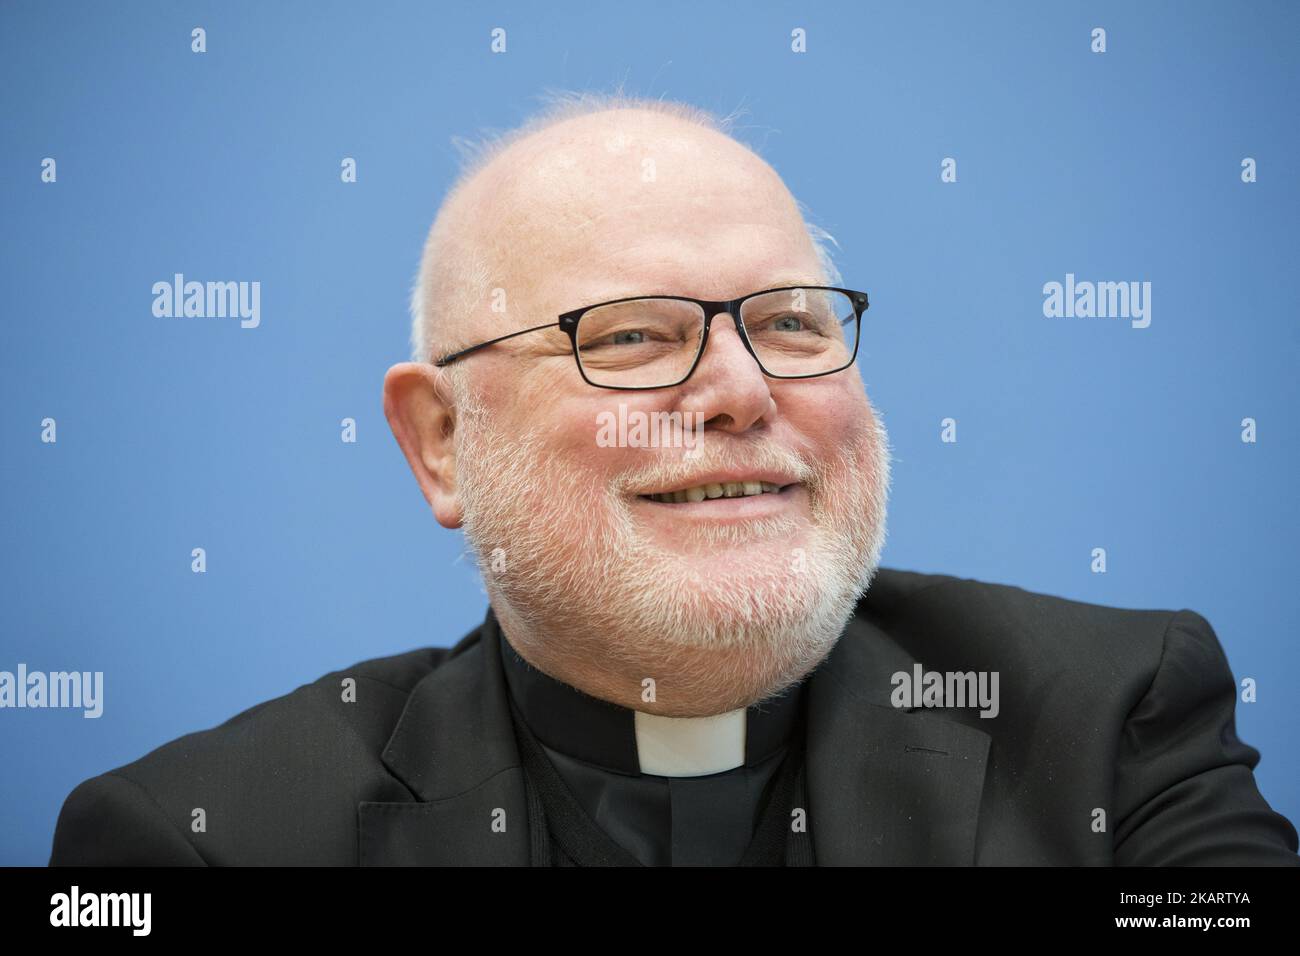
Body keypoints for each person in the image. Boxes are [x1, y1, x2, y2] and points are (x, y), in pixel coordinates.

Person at [50, 91, 1299, 866]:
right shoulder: (206, 836)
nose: (744, 389)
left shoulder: (1111, 724)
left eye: (794, 323)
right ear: (441, 442)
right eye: (632, 335)